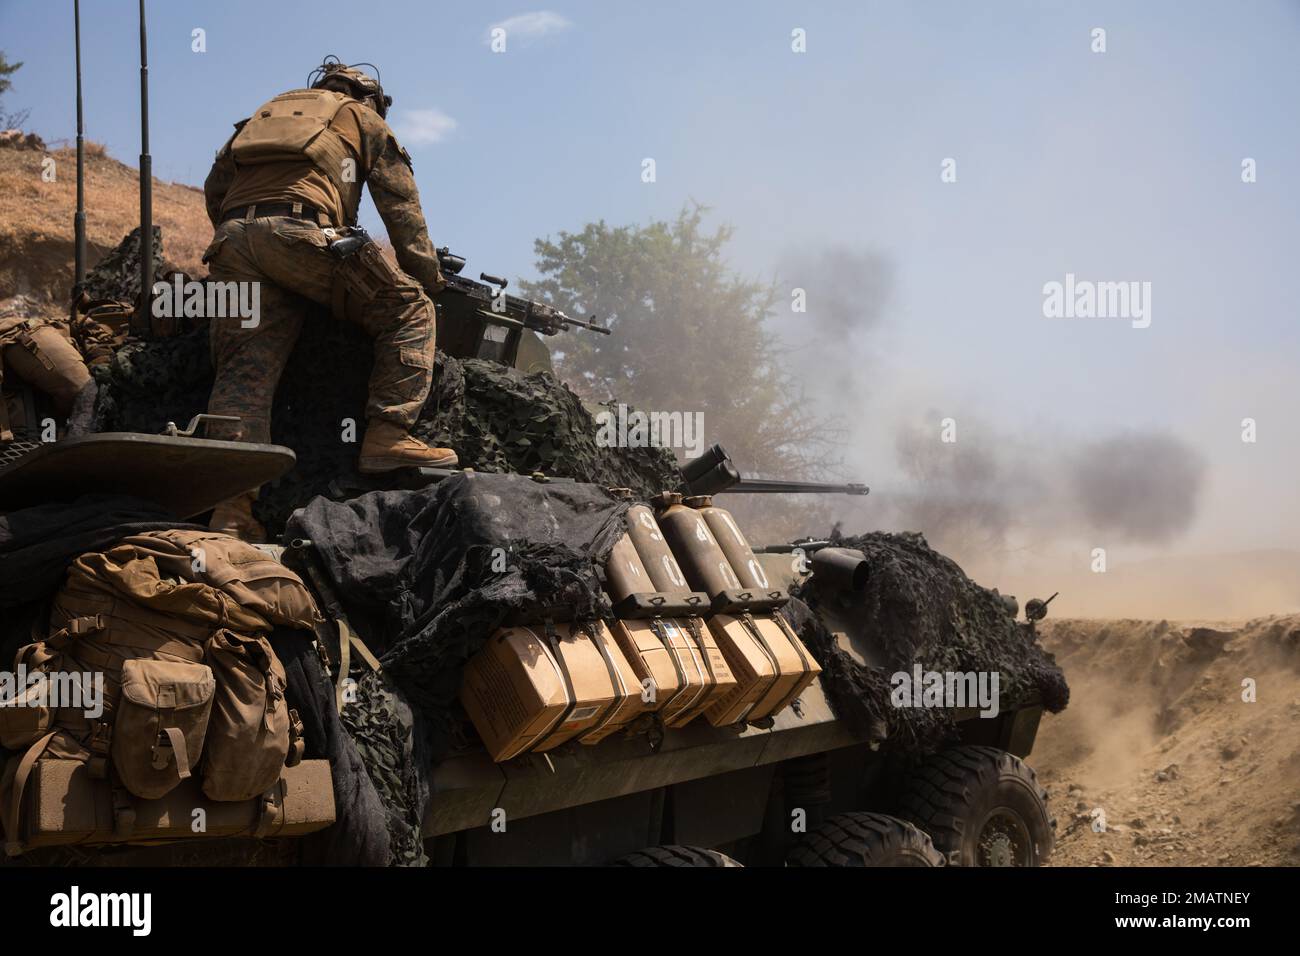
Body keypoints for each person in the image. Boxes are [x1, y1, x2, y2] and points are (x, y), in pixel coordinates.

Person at [201, 57, 456, 541]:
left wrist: (248, 240)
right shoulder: (360, 118)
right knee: (409, 307)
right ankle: (388, 434)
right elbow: (400, 207)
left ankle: (231, 511)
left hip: (233, 240)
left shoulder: (262, 115)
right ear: (370, 98)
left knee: (244, 375)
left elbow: (216, 191)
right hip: (301, 231)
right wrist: (428, 276)